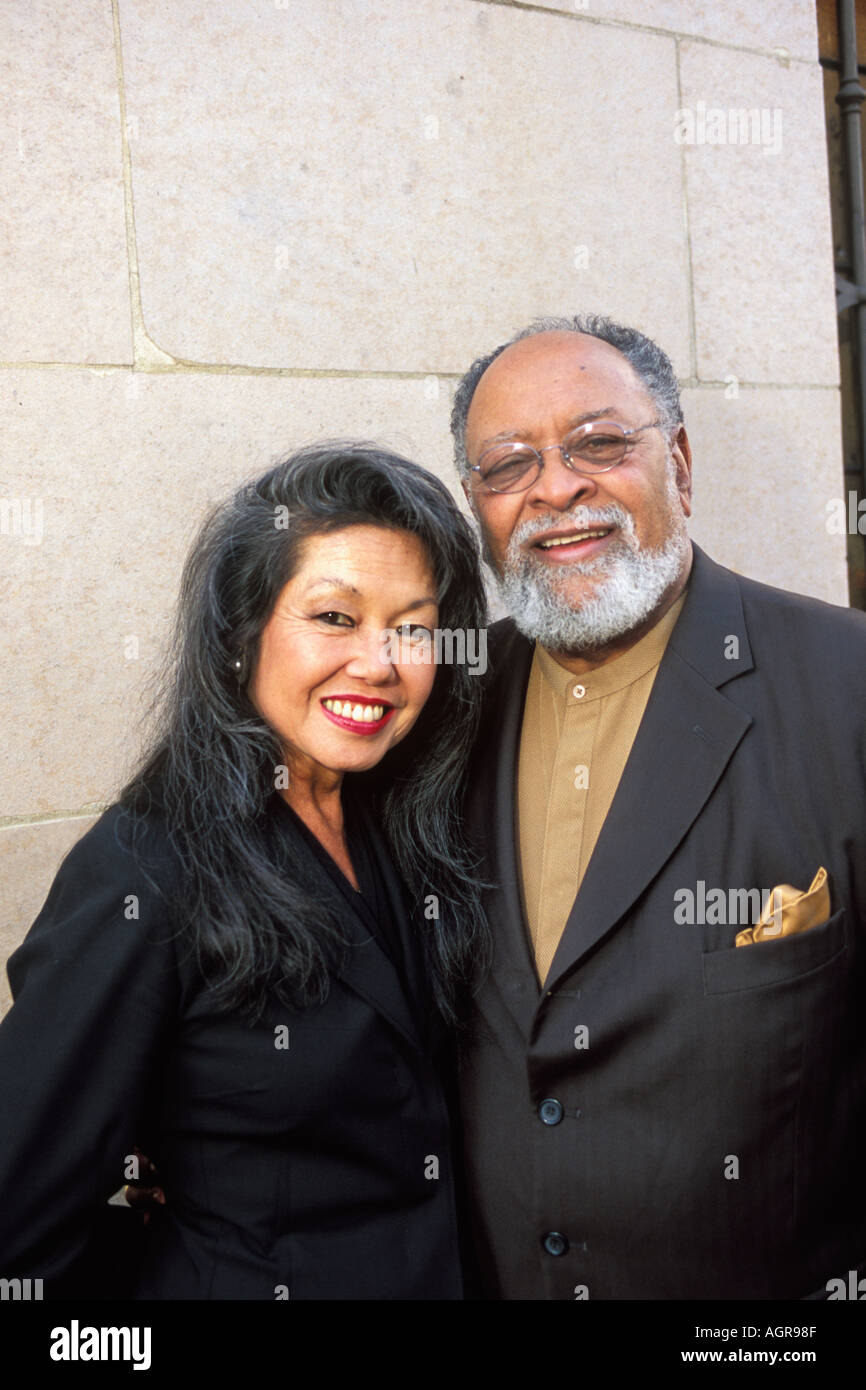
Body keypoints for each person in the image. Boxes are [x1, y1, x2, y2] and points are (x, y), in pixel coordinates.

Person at [0, 441, 488, 1300]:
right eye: (334, 618)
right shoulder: (143, 868)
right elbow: (20, 1223)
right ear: (240, 630)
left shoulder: (408, 822)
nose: (379, 663)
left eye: (412, 627)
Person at [449, 313, 866, 1300]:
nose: (555, 487)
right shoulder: (442, 715)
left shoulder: (845, 686)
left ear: (677, 462)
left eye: (598, 443)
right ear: (477, 507)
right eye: (508, 467)